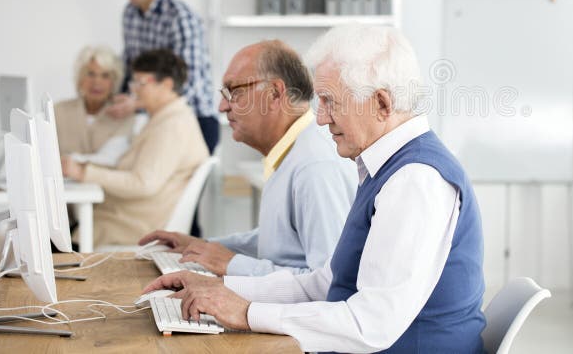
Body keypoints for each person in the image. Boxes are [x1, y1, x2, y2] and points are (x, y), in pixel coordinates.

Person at [143, 25, 487, 353]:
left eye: (330, 101)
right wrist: (223, 289)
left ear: (382, 103)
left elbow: (372, 324)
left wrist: (247, 313)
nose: (320, 118)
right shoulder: (385, 168)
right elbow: (325, 283)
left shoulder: (415, 179)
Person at [139, 40, 355, 276]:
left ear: (274, 93)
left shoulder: (314, 168)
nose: (222, 107)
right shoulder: (295, 151)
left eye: (234, 91)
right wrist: (205, 247)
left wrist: (231, 264)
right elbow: (282, 239)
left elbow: (329, 281)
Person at [61, 49, 208, 247]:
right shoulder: (165, 119)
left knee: (52, 245)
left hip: (132, 225)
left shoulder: (172, 126)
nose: (134, 90)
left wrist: (83, 172)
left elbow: (142, 184)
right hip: (125, 217)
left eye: (141, 83)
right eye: (134, 82)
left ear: (166, 85)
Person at [106, 0, 219, 155]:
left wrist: (136, 103)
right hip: (155, 120)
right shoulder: (129, 14)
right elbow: (130, 66)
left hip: (194, 120)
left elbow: (188, 82)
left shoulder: (180, 18)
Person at [54, 45, 135, 156]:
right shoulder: (58, 112)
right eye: (91, 74)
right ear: (80, 78)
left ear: (114, 81)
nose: (97, 82)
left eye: (105, 76)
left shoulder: (125, 116)